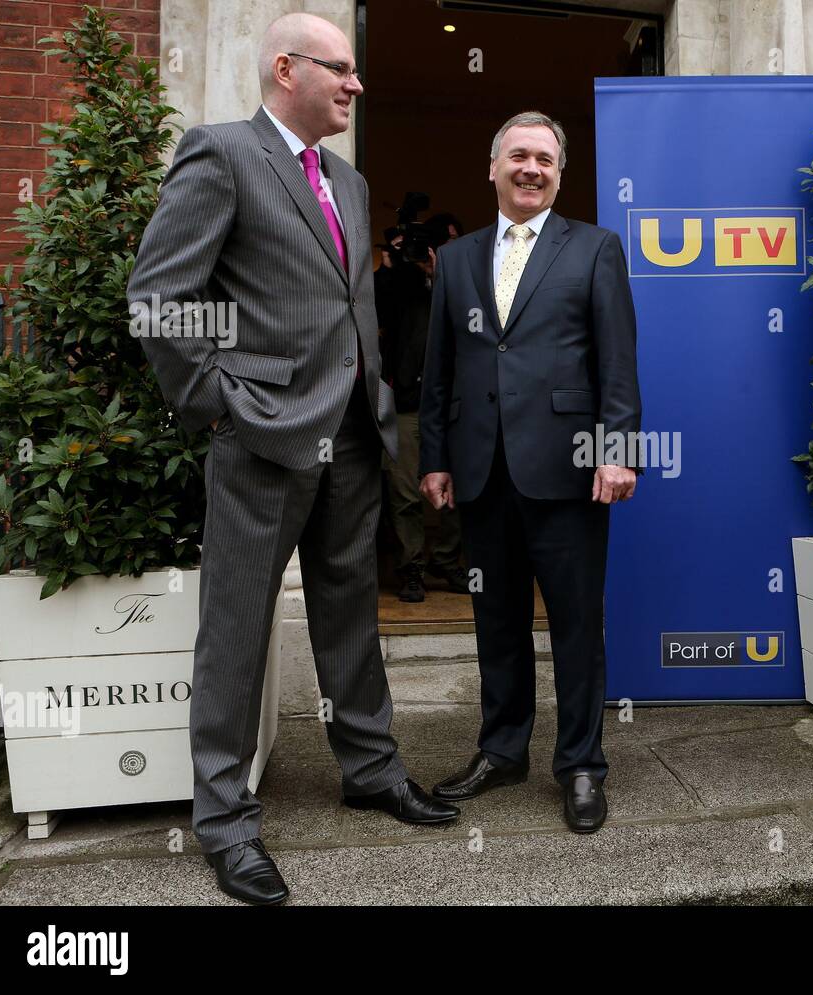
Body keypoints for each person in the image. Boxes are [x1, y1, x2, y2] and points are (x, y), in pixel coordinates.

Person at [128, 12, 458, 906]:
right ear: (286, 69)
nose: (356, 85)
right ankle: (226, 822)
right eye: (340, 70)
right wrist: (220, 407)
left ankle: (372, 769)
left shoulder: (348, 183)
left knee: (353, 609)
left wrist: (374, 400)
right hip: (261, 437)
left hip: (352, 435)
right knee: (234, 630)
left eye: (356, 73)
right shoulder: (222, 153)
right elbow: (160, 300)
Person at [418, 111, 642, 834]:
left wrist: (618, 448)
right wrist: (435, 457)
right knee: (497, 621)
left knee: (577, 623)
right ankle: (502, 749)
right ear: (493, 167)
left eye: (545, 159)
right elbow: (439, 371)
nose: (532, 168)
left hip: (570, 470)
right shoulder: (456, 261)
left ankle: (580, 765)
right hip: (483, 471)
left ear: (559, 172)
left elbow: (617, 362)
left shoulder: (596, 248)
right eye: (519, 155)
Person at [375, 219, 468, 602]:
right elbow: (370, 311)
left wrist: (441, 276)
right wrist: (389, 270)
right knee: (405, 493)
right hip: (406, 404)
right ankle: (411, 567)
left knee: (462, 491)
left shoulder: (467, 281)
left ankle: (447, 560)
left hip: (458, 408)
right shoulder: (397, 287)